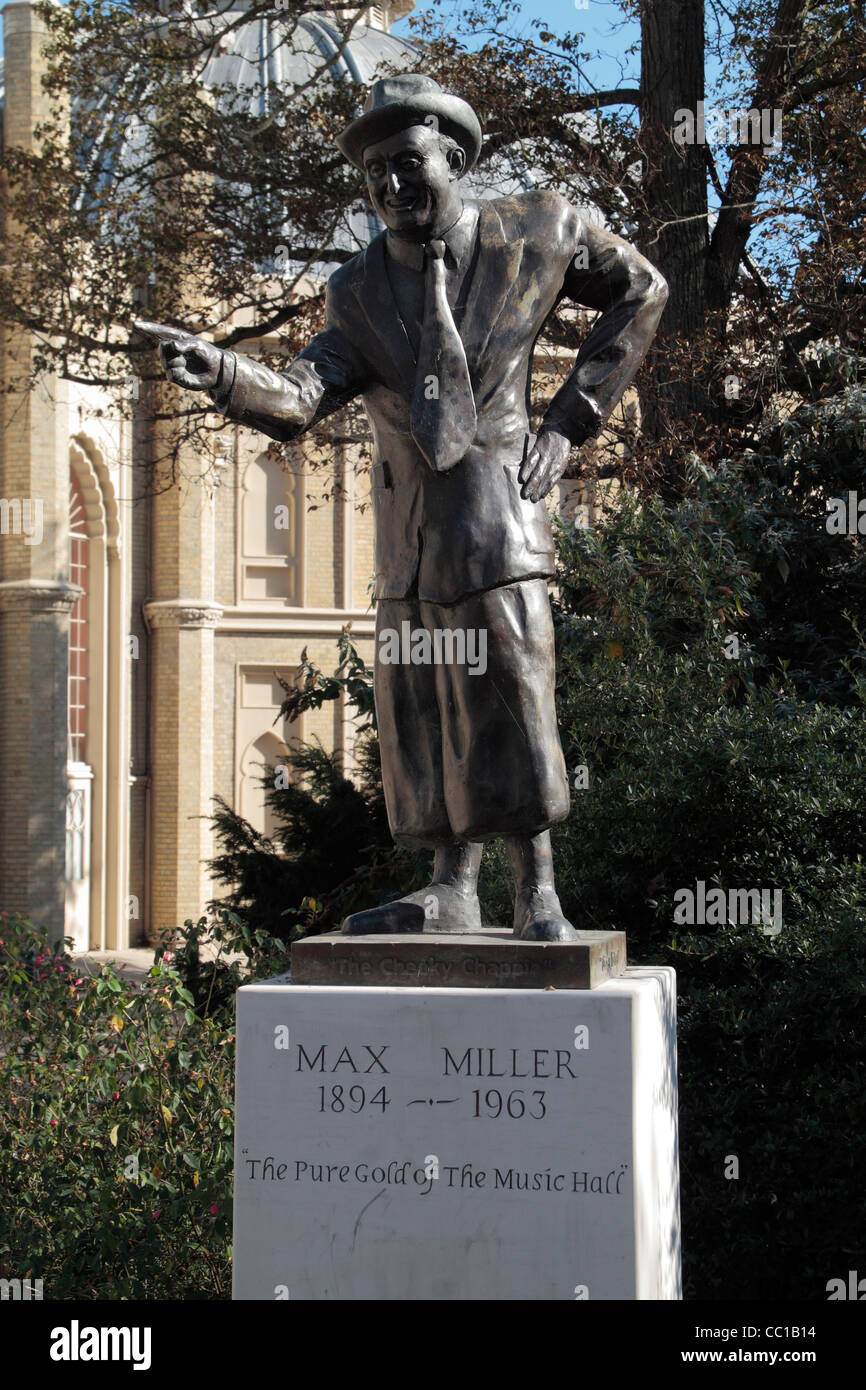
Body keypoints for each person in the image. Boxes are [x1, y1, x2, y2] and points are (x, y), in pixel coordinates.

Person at [143, 73, 668, 941]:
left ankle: (539, 894)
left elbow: (641, 291)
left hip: (501, 518)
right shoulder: (354, 290)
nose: (391, 186)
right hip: (410, 541)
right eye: (375, 174)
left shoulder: (536, 230)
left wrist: (574, 421)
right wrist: (227, 373)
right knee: (422, 709)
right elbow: (305, 391)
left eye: (407, 163)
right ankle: (449, 888)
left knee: (510, 691)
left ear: (453, 157)